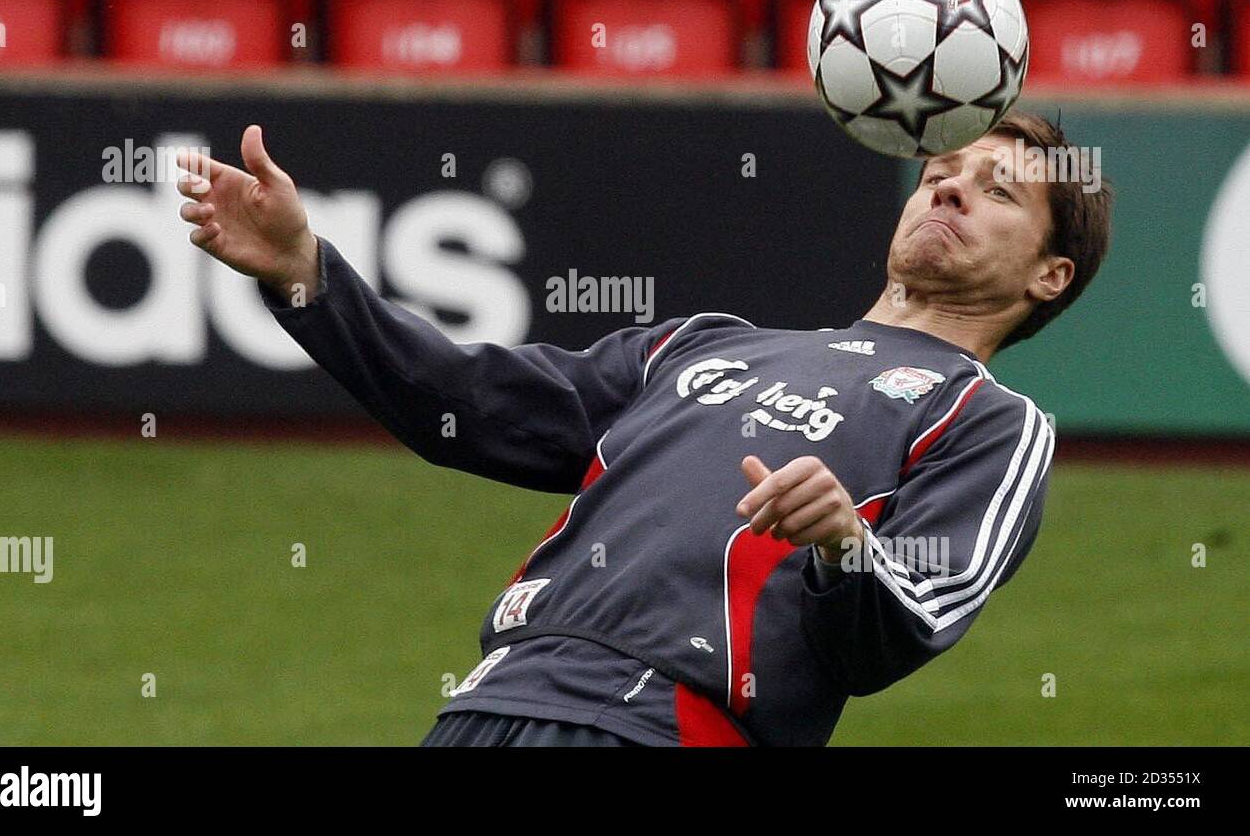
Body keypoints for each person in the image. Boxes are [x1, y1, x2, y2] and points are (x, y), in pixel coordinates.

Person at [176, 109, 1113, 746]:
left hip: (663, 726)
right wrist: (306, 271)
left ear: (1050, 276)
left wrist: (846, 547)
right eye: (940, 171)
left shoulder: (992, 422)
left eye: (997, 190)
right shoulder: (705, 345)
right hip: (493, 702)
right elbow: (463, 402)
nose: (947, 190)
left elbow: (904, 625)